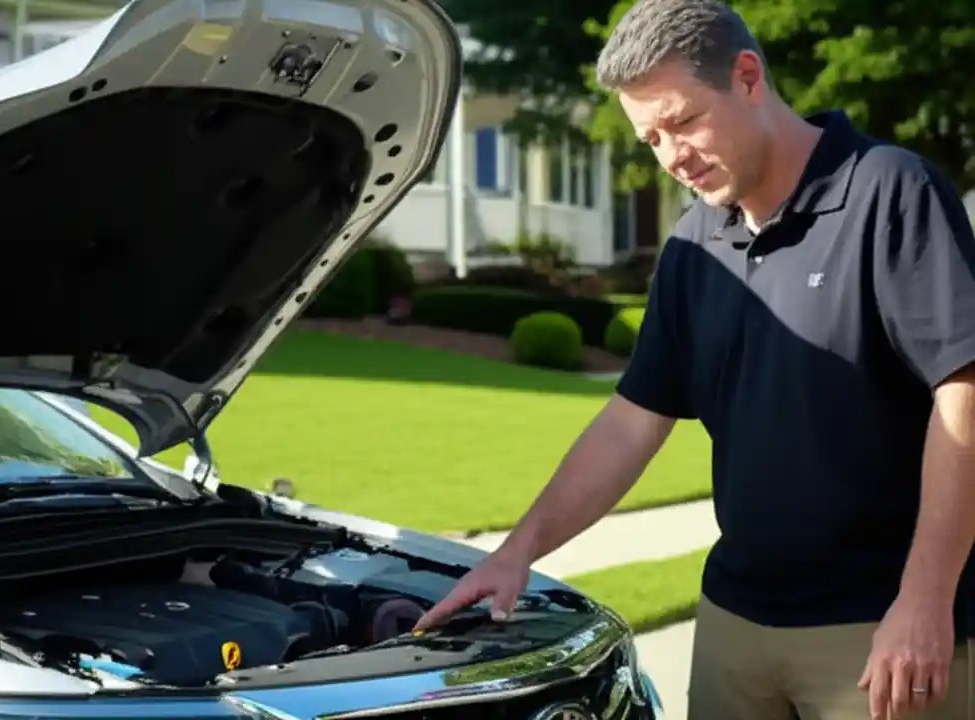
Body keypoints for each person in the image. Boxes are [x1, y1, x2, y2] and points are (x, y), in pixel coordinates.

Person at [412, 1, 975, 718]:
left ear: (747, 78)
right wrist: (515, 554)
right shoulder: (691, 245)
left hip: (876, 633)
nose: (671, 156)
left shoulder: (891, 191)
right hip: (735, 623)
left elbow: (965, 392)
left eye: (681, 121)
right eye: (650, 138)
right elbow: (628, 423)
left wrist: (927, 600)